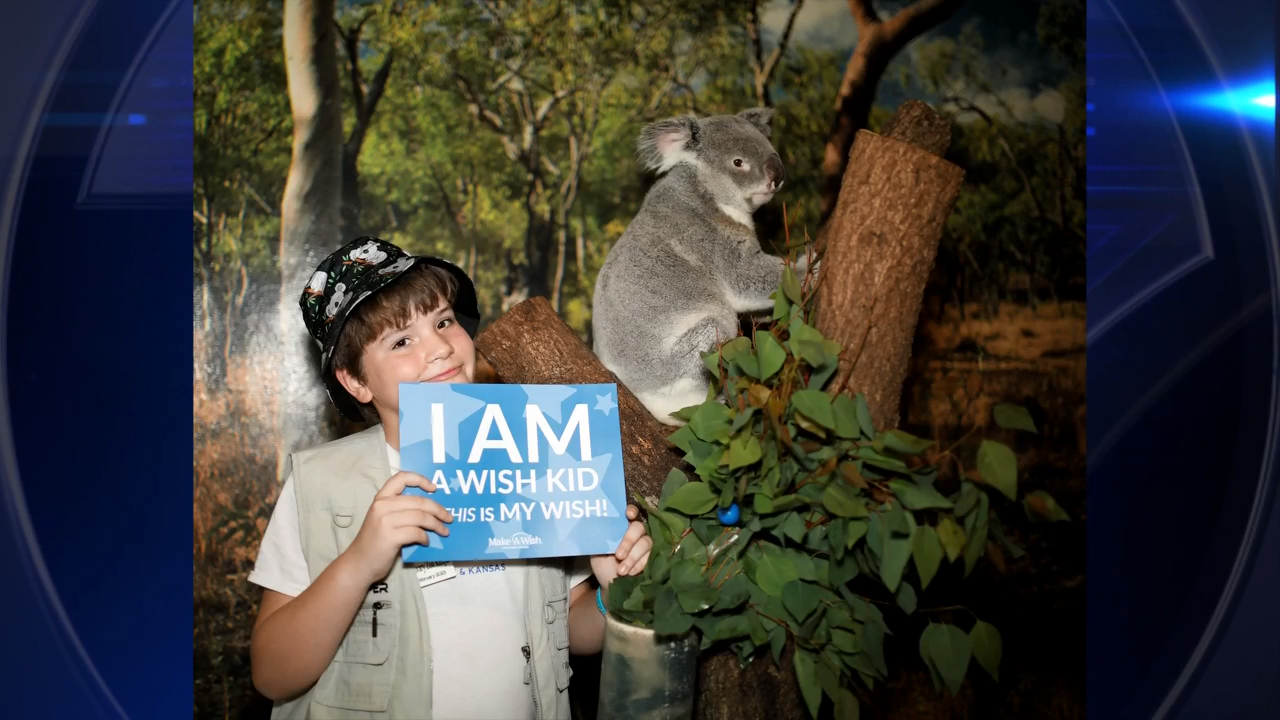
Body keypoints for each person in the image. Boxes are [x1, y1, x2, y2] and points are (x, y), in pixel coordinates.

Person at [247, 237, 652, 720]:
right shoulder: (319, 486)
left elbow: (572, 629)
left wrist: (612, 595)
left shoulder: (544, 454)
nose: (440, 346)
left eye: (443, 321)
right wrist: (358, 563)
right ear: (355, 381)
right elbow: (272, 673)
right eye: (401, 341)